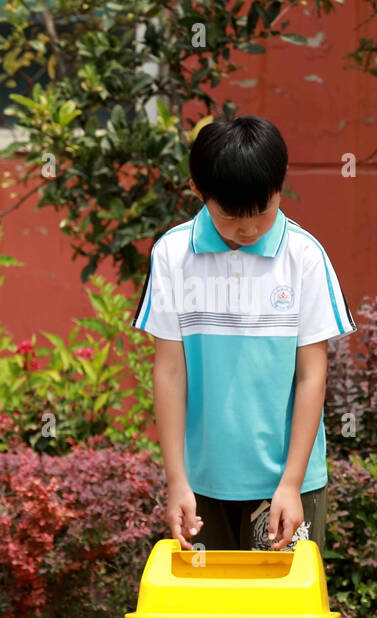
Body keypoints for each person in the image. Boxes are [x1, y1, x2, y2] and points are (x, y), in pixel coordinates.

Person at [134, 115, 355, 552]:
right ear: (199, 191)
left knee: (281, 617)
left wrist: (291, 483)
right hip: (200, 488)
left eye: (262, 212)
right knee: (208, 616)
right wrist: (177, 480)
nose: (249, 228)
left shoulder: (304, 257)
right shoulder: (173, 255)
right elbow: (170, 373)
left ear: (280, 187)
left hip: (285, 488)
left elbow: (311, 375)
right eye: (231, 216)